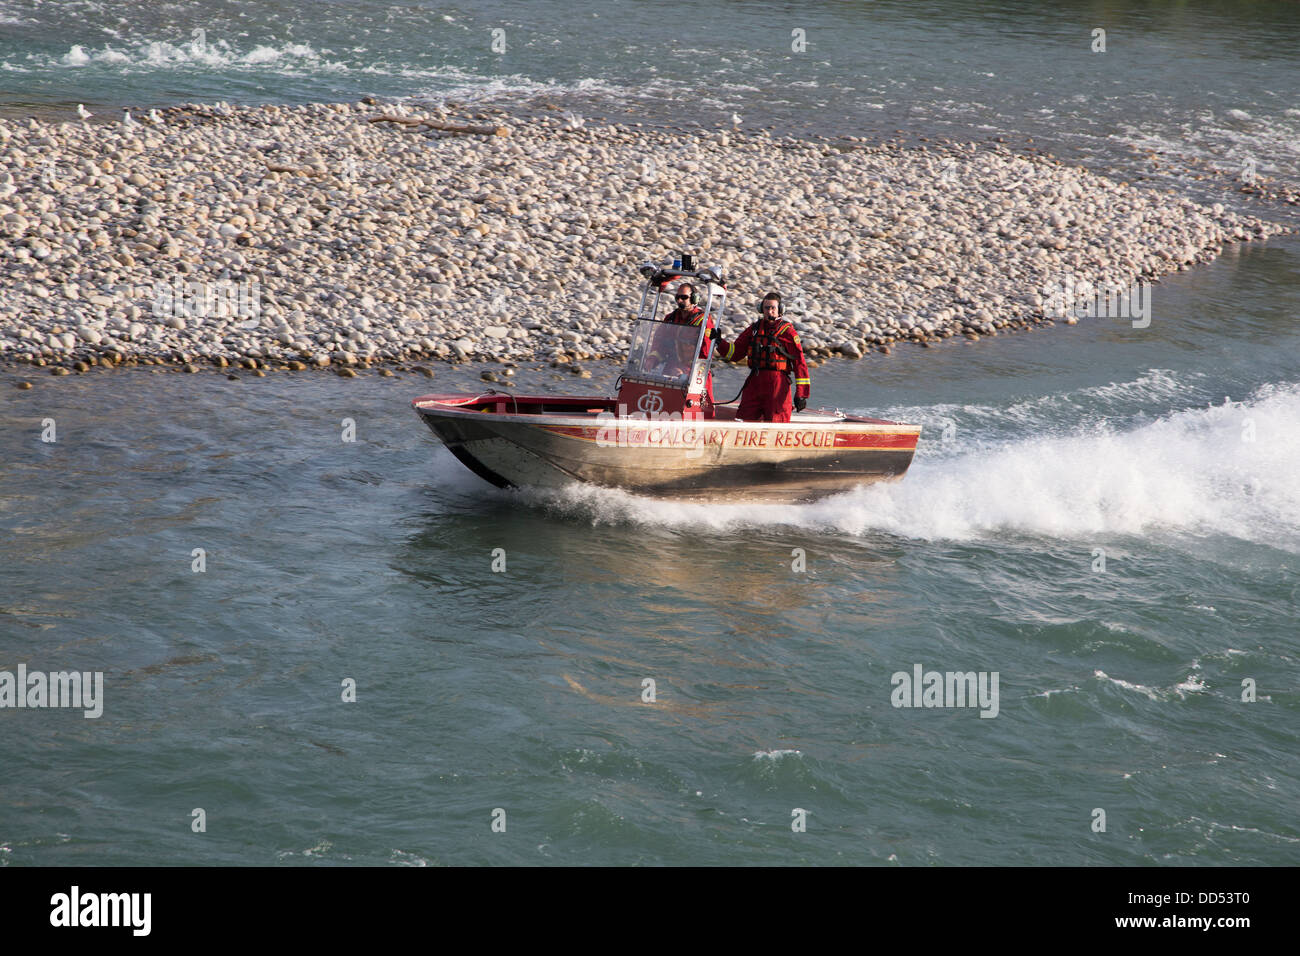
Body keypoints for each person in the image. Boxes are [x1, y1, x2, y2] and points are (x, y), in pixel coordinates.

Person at [710, 291, 810, 422]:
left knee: (776, 420)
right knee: (743, 418)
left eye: (773, 308)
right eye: (766, 308)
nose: (770, 311)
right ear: (761, 309)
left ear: (780, 310)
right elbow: (734, 353)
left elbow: (799, 364)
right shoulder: (754, 329)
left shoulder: (788, 332)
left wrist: (801, 394)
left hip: (777, 384)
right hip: (755, 382)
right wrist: (719, 341)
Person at [648, 282, 717, 403]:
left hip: (695, 373)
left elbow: (705, 353)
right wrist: (650, 361)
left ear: (694, 298)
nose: (679, 300)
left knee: (703, 409)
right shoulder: (670, 319)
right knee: (661, 402)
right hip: (671, 370)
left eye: (684, 297)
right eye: (677, 297)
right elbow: (659, 344)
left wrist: (685, 372)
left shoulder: (703, 321)